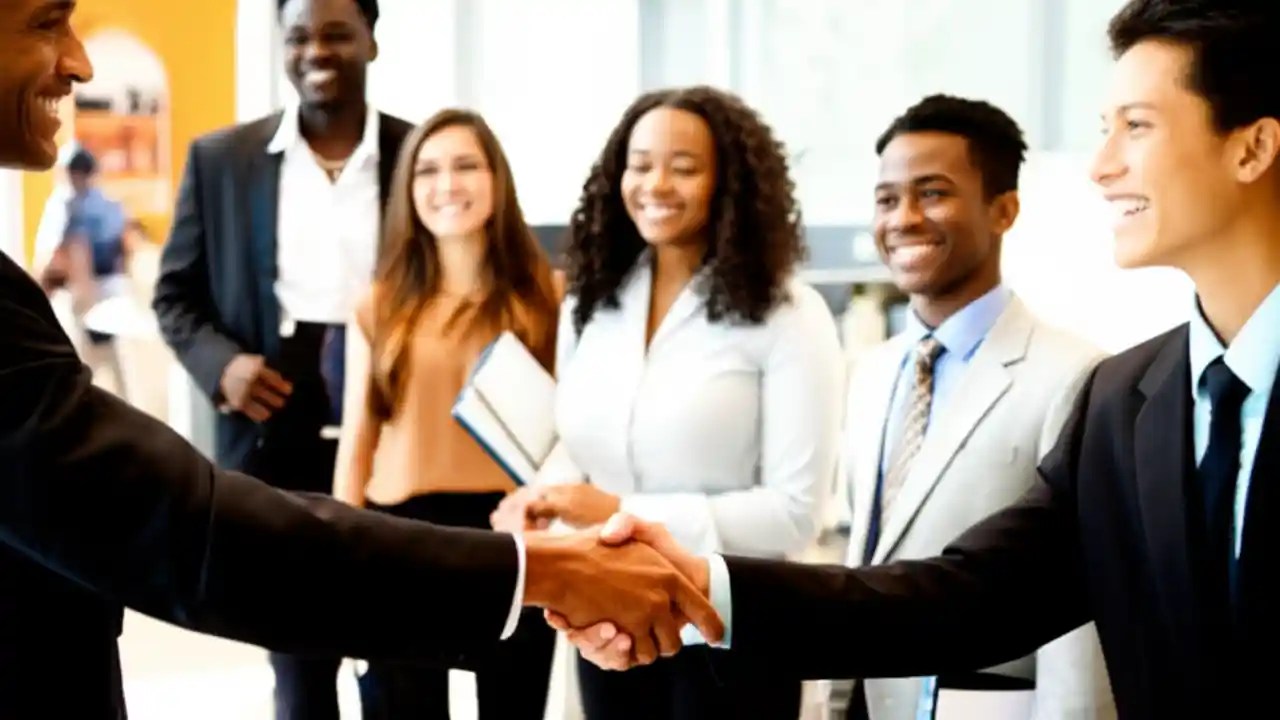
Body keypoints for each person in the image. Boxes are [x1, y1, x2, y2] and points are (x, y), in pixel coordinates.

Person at [0, 2, 722, 719]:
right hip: (274, 417)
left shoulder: (494, 244)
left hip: (485, 503)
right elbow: (192, 527)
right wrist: (551, 569)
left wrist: (552, 543)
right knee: (307, 678)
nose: (80, 61)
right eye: (44, 22)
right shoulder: (229, 164)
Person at [558, 1, 1279, 717]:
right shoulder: (1128, 403)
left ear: (1251, 148)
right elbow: (957, 597)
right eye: (1102, 130)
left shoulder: (1078, 378)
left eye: (1137, 126)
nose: (1100, 167)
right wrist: (698, 586)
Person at [499, 85, 845, 719]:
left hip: (729, 628)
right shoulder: (593, 301)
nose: (656, 183)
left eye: (684, 168)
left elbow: (795, 514)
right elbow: (576, 448)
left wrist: (620, 511)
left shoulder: (789, 315)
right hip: (610, 619)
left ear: (727, 183)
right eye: (640, 163)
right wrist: (541, 499)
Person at [151, 0, 413, 714]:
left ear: (371, 42)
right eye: (297, 36)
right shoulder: (221, 160)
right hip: (272, 424)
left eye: (336, 33)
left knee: (397, 644)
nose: (315, 51)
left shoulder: (419, 154)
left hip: (394, 427)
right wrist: (220, 366)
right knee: (298, 656)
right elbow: (174, 297)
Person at [830, 95, 1113, 719]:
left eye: (932, 193)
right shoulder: (873, 373)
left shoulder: (1076, 375)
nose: (903, 218)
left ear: (1004, 210)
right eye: (886, 199)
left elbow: (1075, 612)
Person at [333, 108, 561, 719]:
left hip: (513, 533)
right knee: (399, 705)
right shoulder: (380, 304)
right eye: (427, 171)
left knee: (514, 706)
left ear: (497, 180)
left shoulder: (548, 297)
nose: (447, 184)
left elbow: (575, 436)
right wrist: (335, 553)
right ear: (409, 191)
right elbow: (358, 436)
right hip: (399, 533)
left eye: (466, 165)